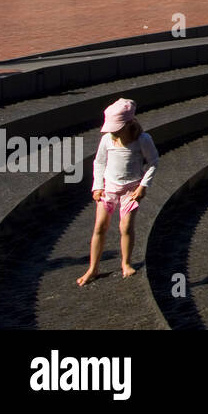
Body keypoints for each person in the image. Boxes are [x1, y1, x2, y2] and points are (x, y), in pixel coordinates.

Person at [77, 98, 159, 285]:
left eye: (117, 128)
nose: (114, 131)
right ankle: (93, 267)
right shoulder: (108, 139)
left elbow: (153, 162)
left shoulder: (142, 140)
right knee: (100, 227)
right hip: (109, 188)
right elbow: (99, 162)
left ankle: (126, 262)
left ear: (129, 124)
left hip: (131, 190)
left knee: (126, 227)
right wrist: (97, 186)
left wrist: (143, 186)